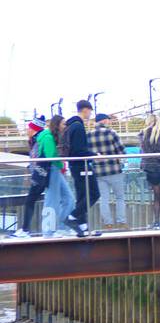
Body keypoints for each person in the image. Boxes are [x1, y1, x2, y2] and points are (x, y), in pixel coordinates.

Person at [15, 117, 69, 238]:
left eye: (29, 128)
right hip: (45, 173)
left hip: (44, 173)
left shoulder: (43, 138)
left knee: (49, 201)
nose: (27, 130)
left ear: (34, 129)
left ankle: (45, 230)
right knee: (59, 200)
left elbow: (48, 156)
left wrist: (61, 166)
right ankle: (56, 229)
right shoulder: (40, 138)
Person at [62, 100, 100, 237]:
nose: (90, 114)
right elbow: (79, 150)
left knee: (82, 196)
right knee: (94, 194)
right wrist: (95, 155)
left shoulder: (71, 125)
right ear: (85, 109)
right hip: (82, 165)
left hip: (74, 166)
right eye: (90, 111)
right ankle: (72, 218)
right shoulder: (78, 126)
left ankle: (83, 227)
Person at [88, 112, 127, 229]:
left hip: (98, 172)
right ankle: (121, 222)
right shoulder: (112, 133)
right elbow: (121, 151)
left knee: (104, 198)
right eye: (108, 120)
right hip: (114, 170)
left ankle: (108, 223)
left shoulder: (89, 135)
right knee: (120, 197)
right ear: (104, 121)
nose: (109, 122)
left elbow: (88, 152)